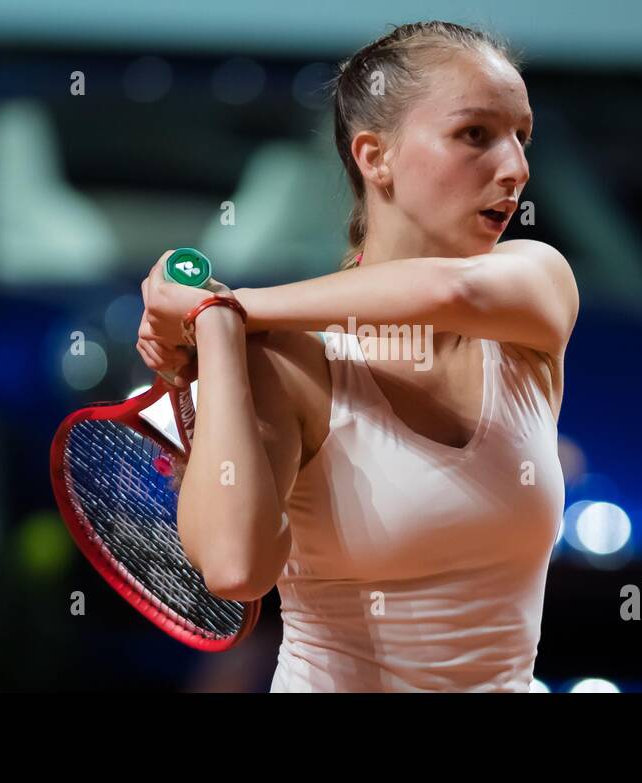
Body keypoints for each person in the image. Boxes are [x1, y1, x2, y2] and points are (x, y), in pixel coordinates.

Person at [136, 21, 578, 692]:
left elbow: (447, 288)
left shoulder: (536, 288)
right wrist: (219, 336)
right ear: (375, 158)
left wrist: (226, 307)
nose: (514, 167)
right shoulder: (292, 359)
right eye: (476, 134)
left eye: (523, 137)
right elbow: (233, 567)